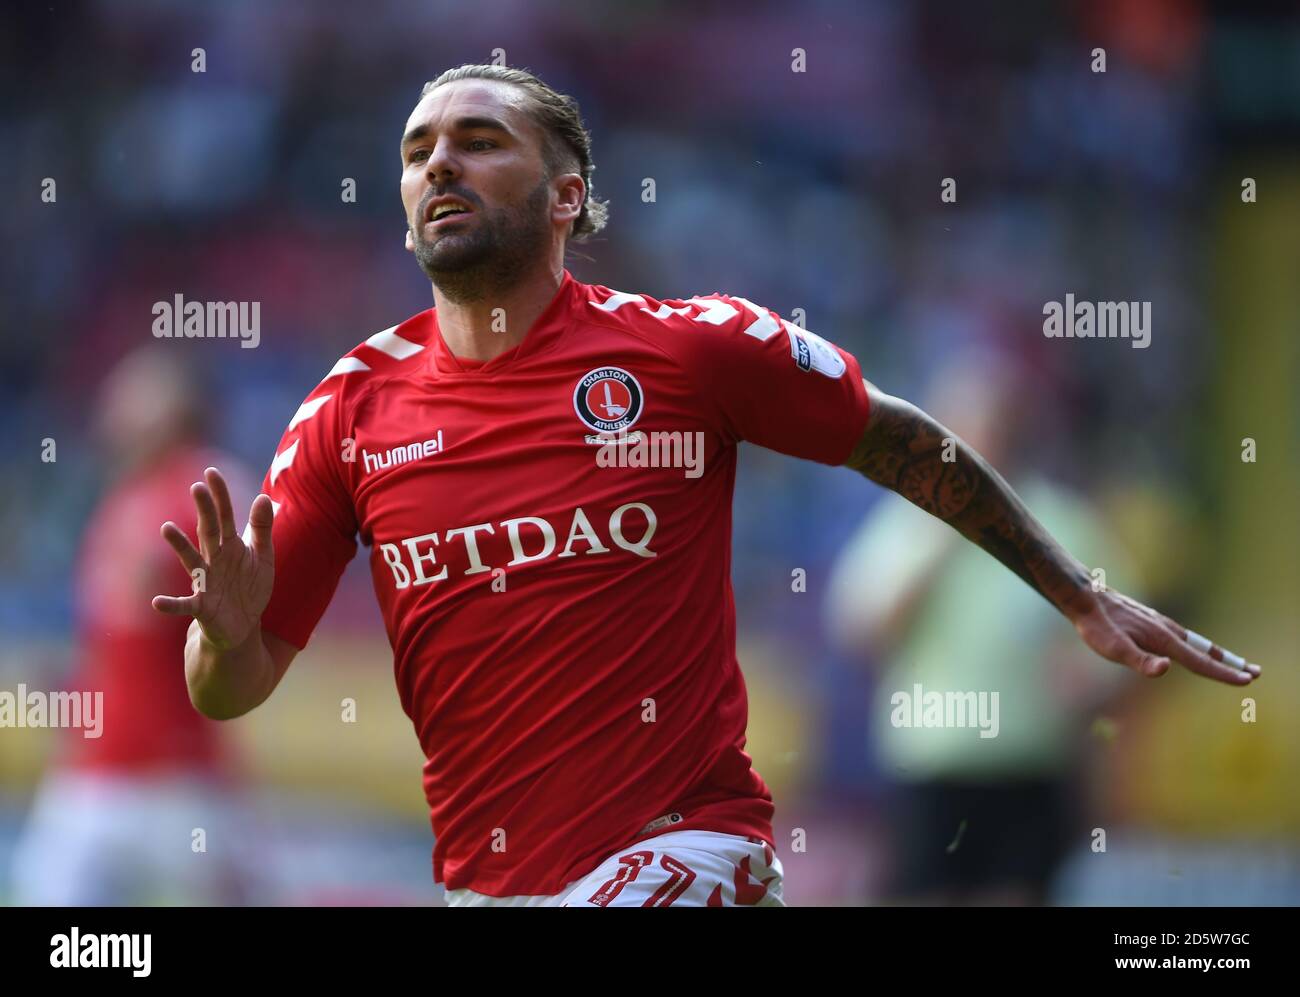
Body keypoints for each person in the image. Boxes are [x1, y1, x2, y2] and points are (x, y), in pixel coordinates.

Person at [150, 64, 1260, 908]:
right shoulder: (349, 410)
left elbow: (901, 442)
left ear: (566, 195)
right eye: (417, 149)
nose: (438, 163)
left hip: (691, 851)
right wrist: (225, 637)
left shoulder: (690, 353)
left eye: (479, 141)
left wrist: (1075, 594)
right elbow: (227, 687)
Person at [827, 353, 1136, 904]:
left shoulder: (1063, 525)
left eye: (992, 427)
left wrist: (1091, 681)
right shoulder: (910, 522)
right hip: (933, 767)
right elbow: (860, 628)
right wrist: (945, 536)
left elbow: (1123, 640)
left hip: (1027, 765)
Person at [14, 348, 256, 905]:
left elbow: (241, 619)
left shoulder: (211, 484)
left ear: (176, 405)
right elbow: (115, 643)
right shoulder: (118, 500)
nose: (114, 405)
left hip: (181, 773)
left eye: (133, 391)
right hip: (96, 769)